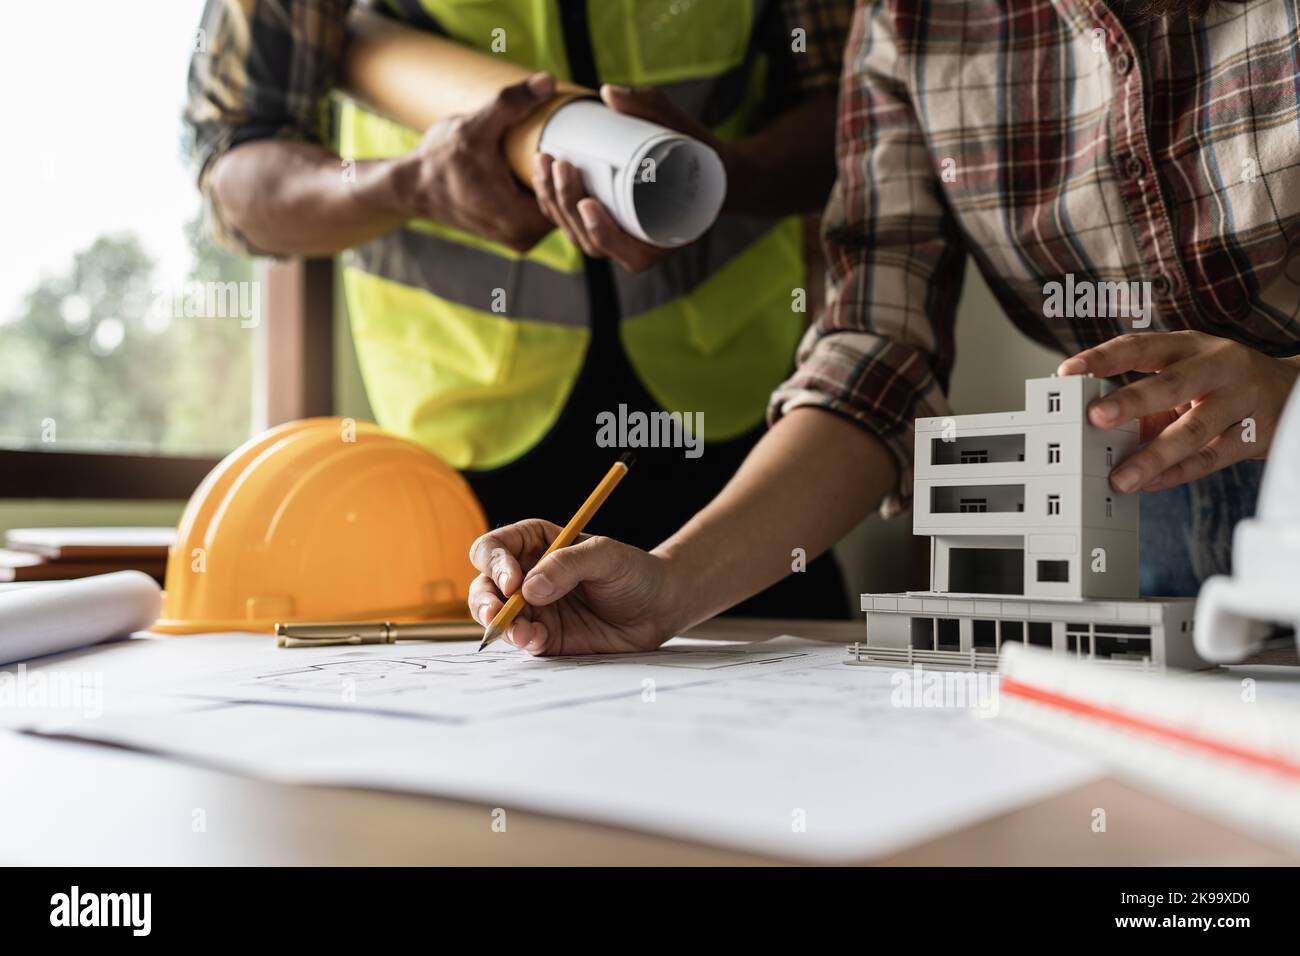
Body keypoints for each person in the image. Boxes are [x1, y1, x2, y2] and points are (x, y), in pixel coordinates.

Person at [468, 0, 1300, 654]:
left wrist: (1285, 397)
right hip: (1138, 529)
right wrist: (669, 586)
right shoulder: (911, 17)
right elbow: (873, 360)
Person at [184, 0, 854, 618]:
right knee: (495, 716)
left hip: (739, 430)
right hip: (466, 446)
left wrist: (727, 176)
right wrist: (410, 184)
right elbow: (237, 175)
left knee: (786, 706)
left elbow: (859, 115)